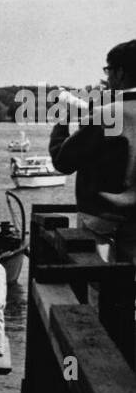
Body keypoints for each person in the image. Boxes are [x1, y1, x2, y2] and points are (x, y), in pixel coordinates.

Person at [49, 40, 136, 263]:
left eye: (108, 70)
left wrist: (63, 118)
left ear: (120, 72)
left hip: (102, 221)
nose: (107, 78)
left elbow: (63, 162)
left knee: (100, 290)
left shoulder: (106, 115)